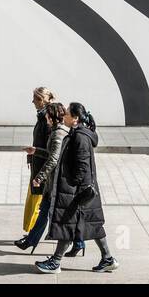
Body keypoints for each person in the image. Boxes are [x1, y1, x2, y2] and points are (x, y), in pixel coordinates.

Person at [34, 103, 115, 273]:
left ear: (76, 118)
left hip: (79, 191)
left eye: (68, 113)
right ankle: (107, 258)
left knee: (68, 224)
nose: (64, 114)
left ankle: (55, 262)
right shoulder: (78, 133)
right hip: (84, 191)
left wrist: (72, 183)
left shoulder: (80, 137)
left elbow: (82, 166)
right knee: (91, 225)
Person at [18, 100, 75, 254]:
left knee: (61, 214)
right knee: (45, 210)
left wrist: (39, 177)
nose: (46, 120)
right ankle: (31, 240)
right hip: (54, 181)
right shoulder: (59, 130)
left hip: (59, 182)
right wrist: (35, 150)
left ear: (51, 118)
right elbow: (52, 154)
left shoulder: (57, 133)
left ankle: (78, 243)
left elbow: (53, 159)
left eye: (48, 117)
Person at [15, 87, 56, 251]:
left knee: (42, 205)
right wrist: (32, 156)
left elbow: (51, 150)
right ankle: (77, 240)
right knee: (44, 205)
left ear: (42, 100)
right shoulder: (43, 117)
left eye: (35, 99)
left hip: (43, 169)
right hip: (39, 165)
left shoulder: (47, 120)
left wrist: (35, 155)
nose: (32, 102)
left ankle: (32, 237)